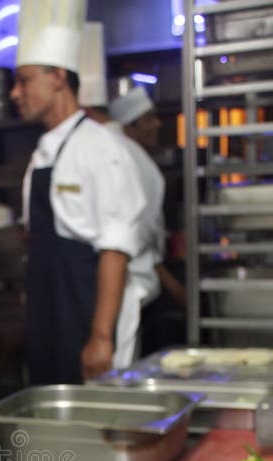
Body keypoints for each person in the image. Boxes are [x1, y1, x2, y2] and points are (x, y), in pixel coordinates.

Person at [10, 0, 146, 386]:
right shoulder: (40, 155)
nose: (17, 93)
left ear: (57, 76)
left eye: (25, 80)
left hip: (85, 318)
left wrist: (101, 336)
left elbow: (115, 248)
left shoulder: (102, 148)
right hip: (49, 316)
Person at [79, 26, 164, 365]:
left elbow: (128, 238)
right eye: (149, 120)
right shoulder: (122, 154)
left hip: (129, 291)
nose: (157, 126)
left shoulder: (118, 154)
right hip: (134, 290)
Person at [110, 85, 186, 356]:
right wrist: (172, 283)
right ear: (130, 126)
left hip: (142, 283)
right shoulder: (131, 160)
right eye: (149, 119)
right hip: (138, 286)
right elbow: (139, 238)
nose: (157, 125)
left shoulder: (131, 155)